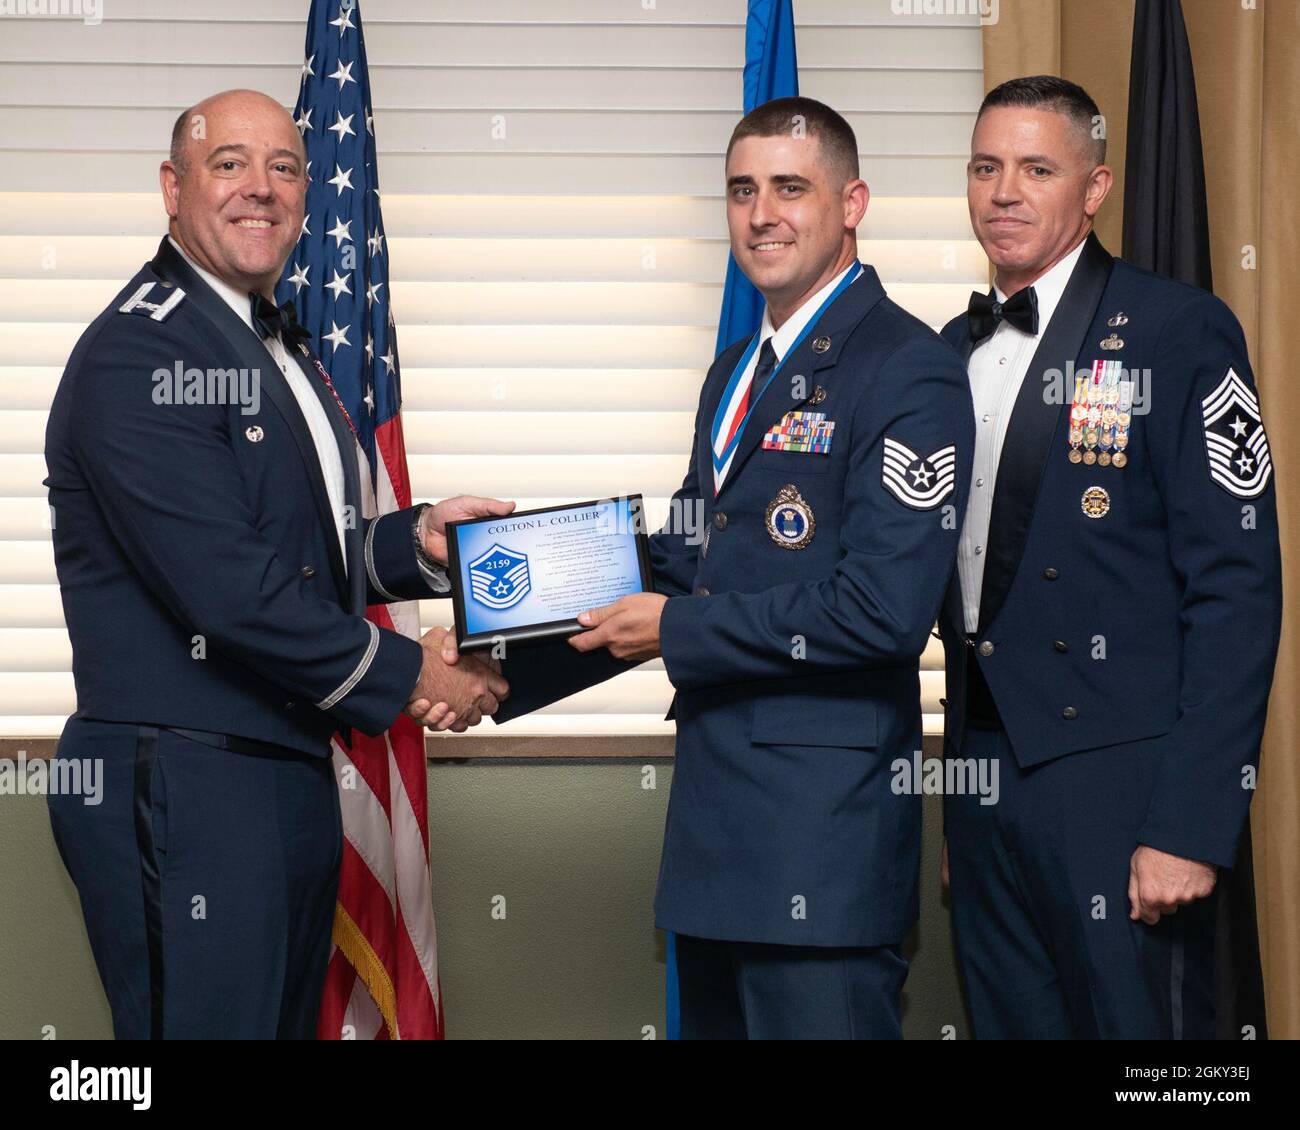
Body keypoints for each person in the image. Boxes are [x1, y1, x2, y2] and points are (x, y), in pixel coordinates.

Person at [462, 97, 975, 1039]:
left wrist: (675, 625)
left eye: (790, 187)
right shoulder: (739, 369)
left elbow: (884, 609)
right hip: (715, 841)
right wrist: (499, 664)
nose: (761, 214)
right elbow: (683, 560)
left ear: (852, 201)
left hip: (821, 850)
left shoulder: (908, 366)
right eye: (742, 190)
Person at [43, 89, 509, 1039]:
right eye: (229, 165)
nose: (261, 189)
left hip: (274, 772)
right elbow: (229, 592)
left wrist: (411, 543)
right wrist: (419, 672)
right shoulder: (144, 349)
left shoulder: (264, 333)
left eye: (285, 168)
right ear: (173, 188)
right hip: (188, 782)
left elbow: (292, 550)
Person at [936, 75, 1282, 1039]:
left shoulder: (1179, 330)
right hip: (984, 780)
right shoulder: (941, 351)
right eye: (986, 167)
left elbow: (1238, 588)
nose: (1004, 192)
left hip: (1126, 787)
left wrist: (1189, 825)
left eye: (1036, 169)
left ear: (1094, 189)